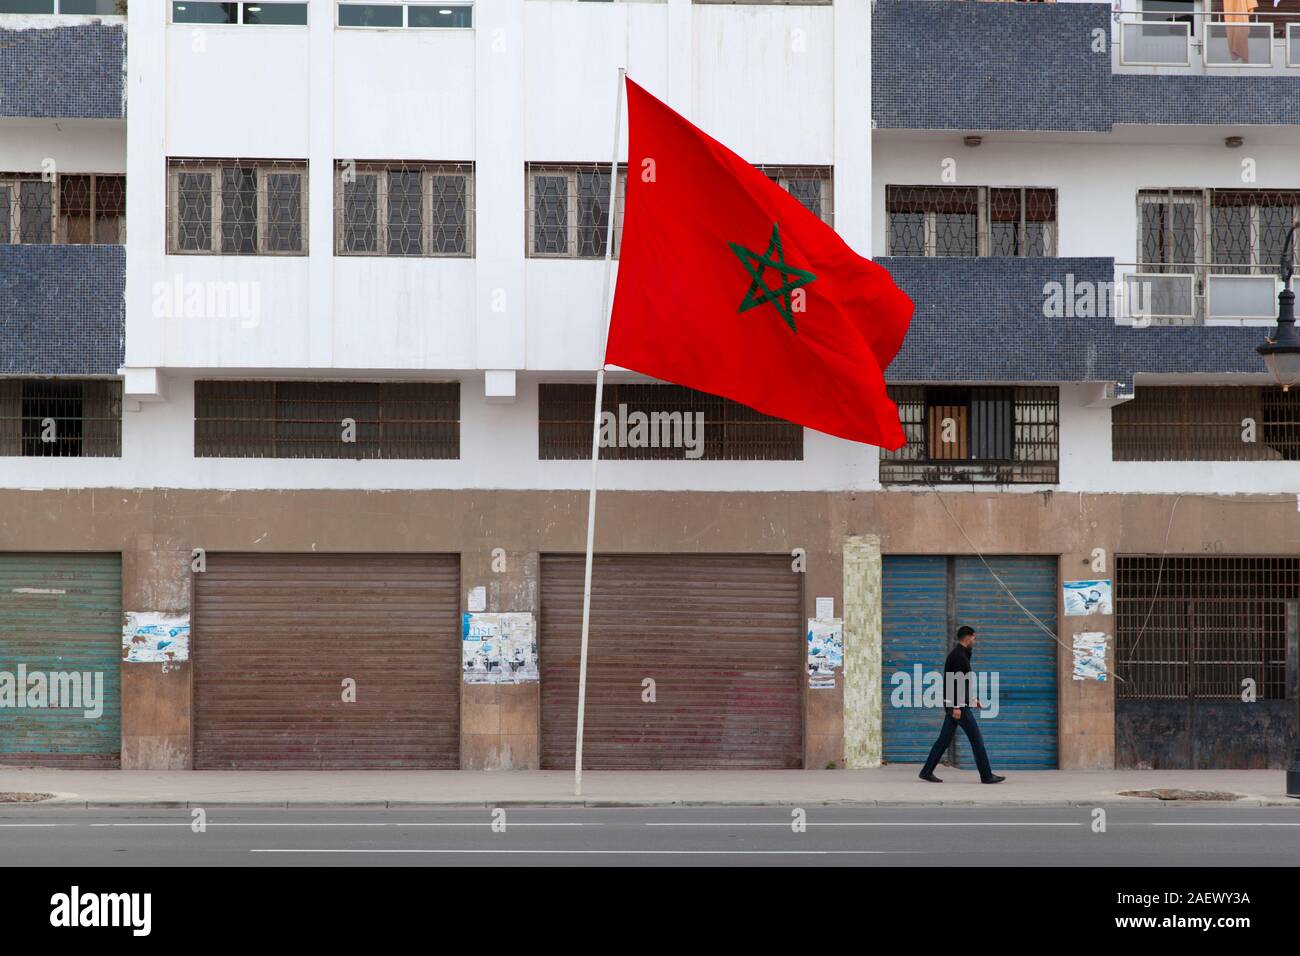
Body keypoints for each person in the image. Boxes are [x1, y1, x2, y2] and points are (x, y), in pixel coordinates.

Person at [918, 625, 1005, 785]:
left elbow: (962, 681)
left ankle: (926, 771)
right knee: (977, 740)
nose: (974, 640)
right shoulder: (959, 656)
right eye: (974, 637)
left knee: (943, 740)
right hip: (959, 707)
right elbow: (954, 682)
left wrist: (972, 699)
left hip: (958, 704)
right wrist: (956, 706)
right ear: (967, 637)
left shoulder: (961, 654)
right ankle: (986, 776)